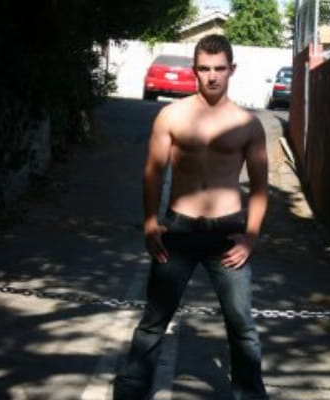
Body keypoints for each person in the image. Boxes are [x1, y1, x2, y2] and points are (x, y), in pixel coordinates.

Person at [114, 34, 269, 400]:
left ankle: (250, 394)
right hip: (179, 228)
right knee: (154, 321)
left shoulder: (247, 124)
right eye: (204, 68)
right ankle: (132, 391)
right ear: (194, 70)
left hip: (227, 234)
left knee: (242, 325)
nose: (212, 76)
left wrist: (250, 237)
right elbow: (153, 172)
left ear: (232, 70)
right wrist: (150, 222)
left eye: (219, 69)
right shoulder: (172, 115)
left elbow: (260, 188)